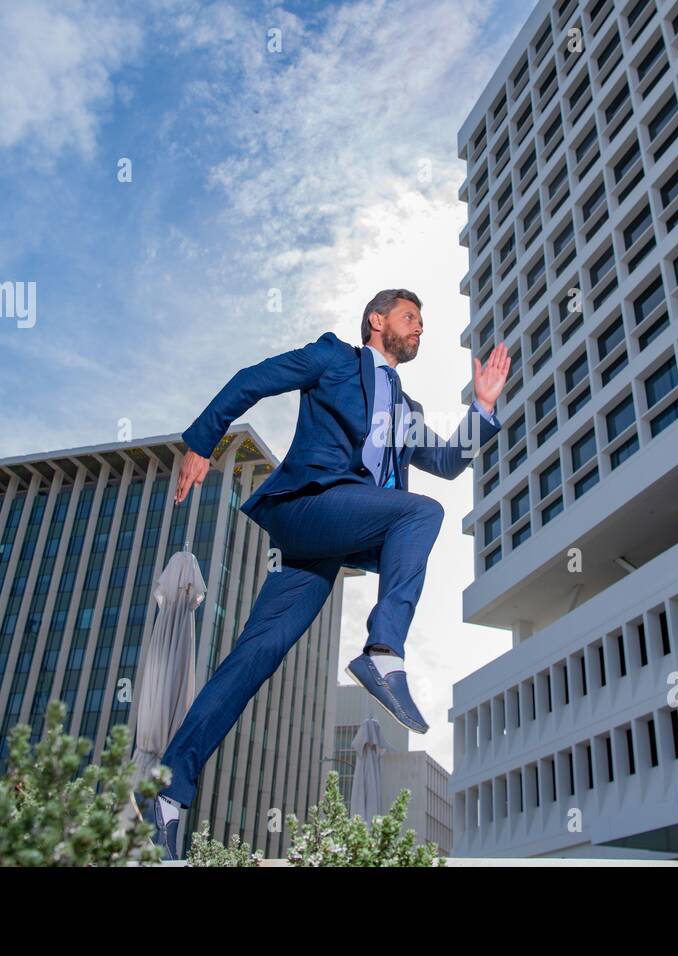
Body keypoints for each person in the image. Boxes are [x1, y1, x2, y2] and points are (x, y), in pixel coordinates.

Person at [138, 288, 510, 857]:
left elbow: (445, 461)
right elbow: (253, 378)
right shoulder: (335, 358)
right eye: (410, 318)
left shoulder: (406, 409)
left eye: (422, 323)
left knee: (252, 659)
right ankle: (383, 651)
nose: (419, 329)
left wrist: (481, 409)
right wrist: (201, 441)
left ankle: (165, 793)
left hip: (331, 542)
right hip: (308, 506)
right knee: (423, 512)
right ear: (376, 319)